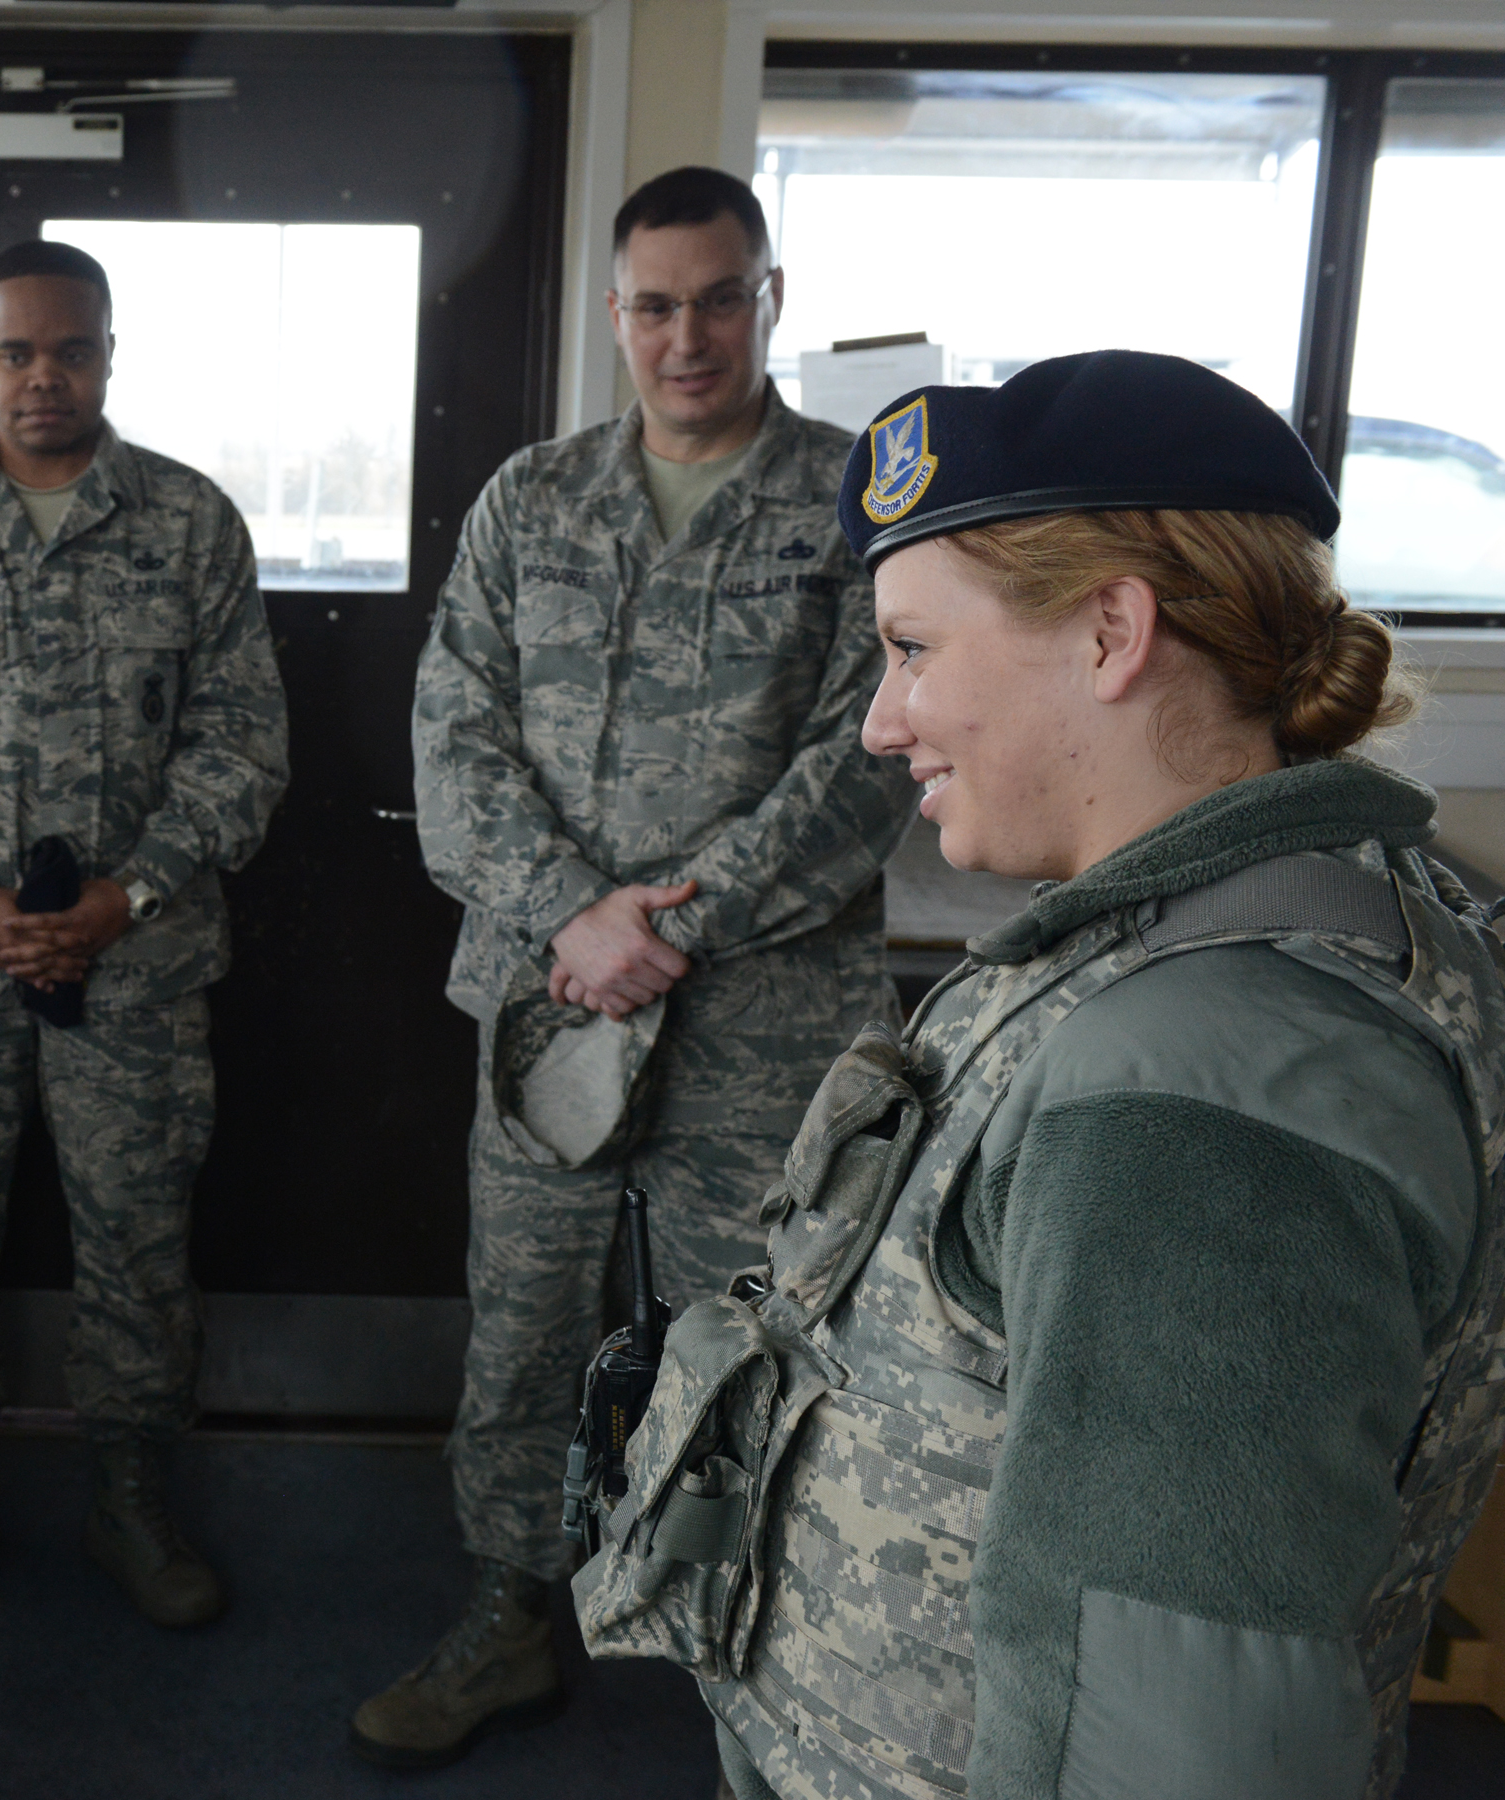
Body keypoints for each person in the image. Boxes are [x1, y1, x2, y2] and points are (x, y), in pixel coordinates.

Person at [578, 350, 1505, 1800]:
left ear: (1110, 632)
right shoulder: (1228, 933)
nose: (884, 723)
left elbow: (1178, 1749)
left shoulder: (1207, 1083)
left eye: (916, 650)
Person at [363, 165, 918, 1765]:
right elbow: (452, 738)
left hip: (764, 1022)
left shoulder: (851, 507)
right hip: (552, 1014)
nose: (691, 335)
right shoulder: (533, 500)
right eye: (658, 305)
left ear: (771, 300)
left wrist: (666, 927)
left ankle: (759, 1675)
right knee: (528, 1323)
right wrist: (574, 921)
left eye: (722, 297)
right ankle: (507, 1619)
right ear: (616, 316)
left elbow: (872, 755)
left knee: (750, 1333)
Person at [0, 239, 290, 1632]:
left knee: (140, 1237)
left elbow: (245, 742)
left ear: (107, 354)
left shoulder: (190, 522)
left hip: (135, 968)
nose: (45, 377)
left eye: (71, 349)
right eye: (18, 352)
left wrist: (124, 898)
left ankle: (133, 1499)